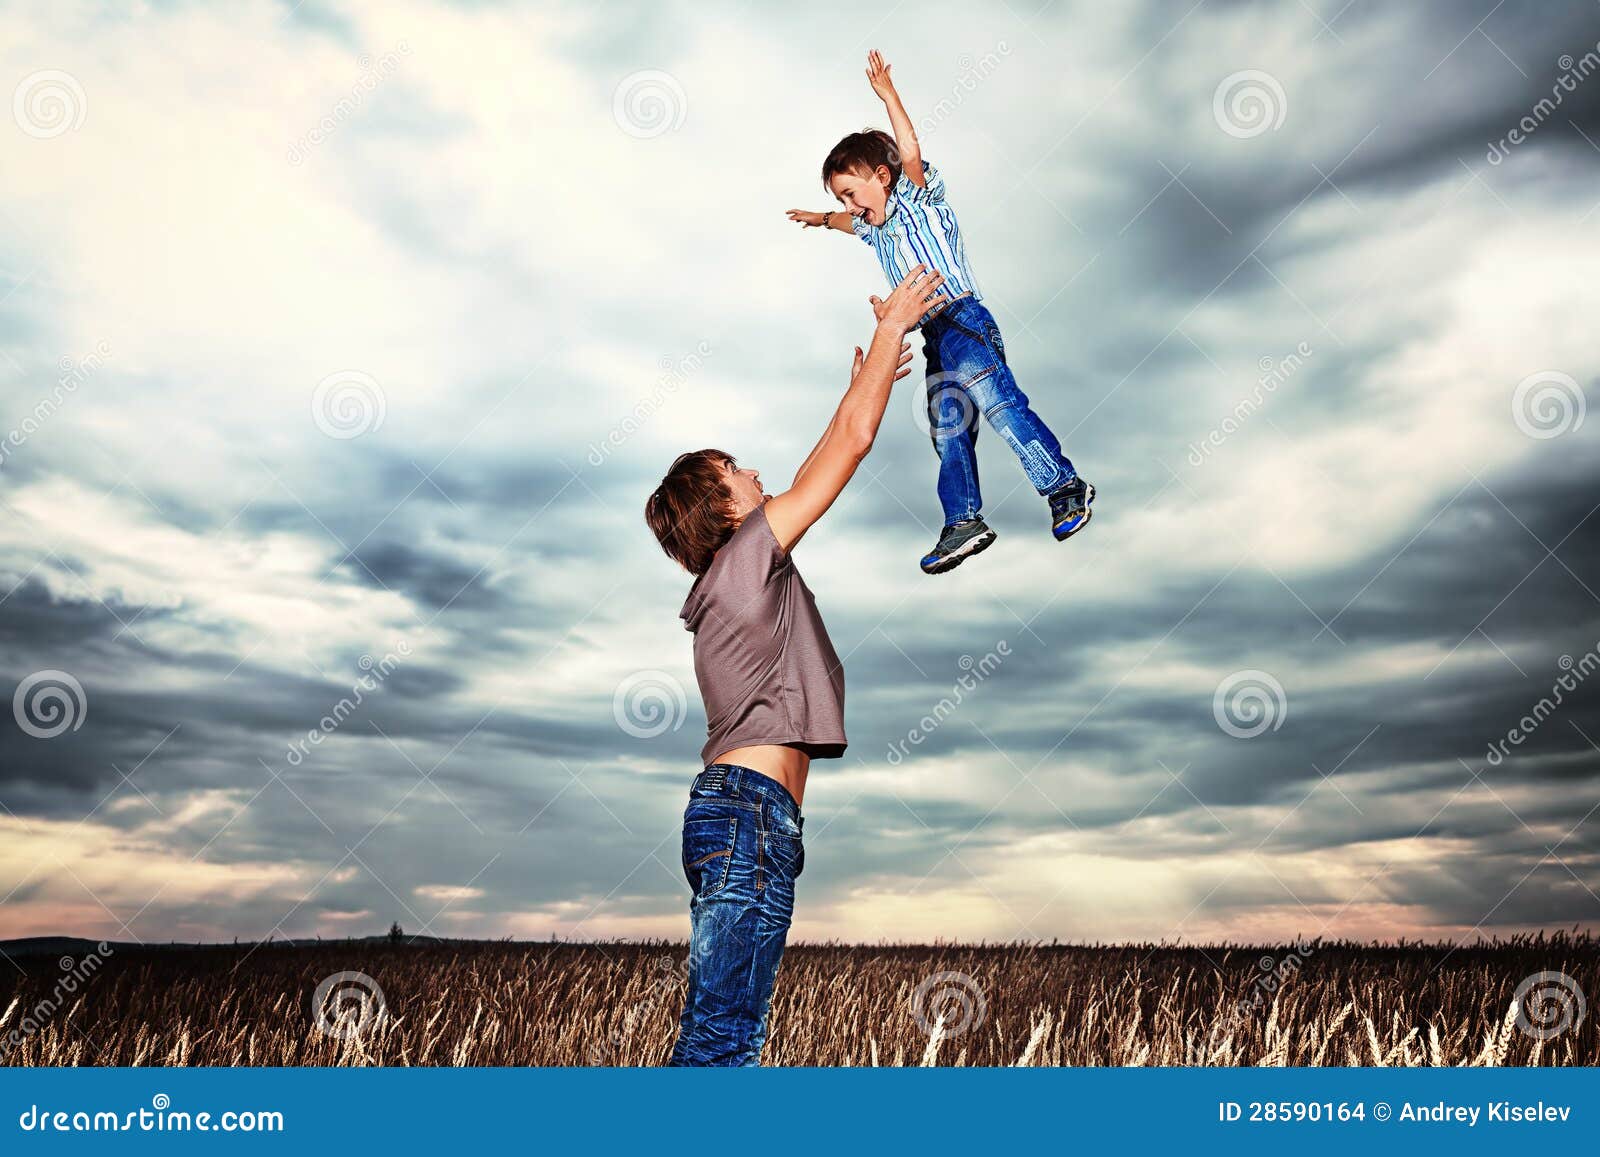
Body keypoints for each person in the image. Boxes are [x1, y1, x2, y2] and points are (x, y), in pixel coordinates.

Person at [645, 266, 948, 1065]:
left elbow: (844, 429)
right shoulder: (745, 560)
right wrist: (892, 331)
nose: (753, 471)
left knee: (726, 1037)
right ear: (725, 505)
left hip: (752, 817)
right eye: (736, 467)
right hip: (747, 815)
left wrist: (868, 380)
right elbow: (847, 447)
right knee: (721, 1043)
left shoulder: (734, 578)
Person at [787, 50, 1095, 575]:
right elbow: (846, 223)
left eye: (852, 191)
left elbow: (908, 150)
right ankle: (964, 520)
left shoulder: (917, 198)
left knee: (998, 406)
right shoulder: (872, 227)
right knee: (948, 427)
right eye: (842, 197)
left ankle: (1064, 485)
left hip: (965, 320)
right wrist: (820, 218)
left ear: (882, 177)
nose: (851, 205)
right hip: (934, 333)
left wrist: (889, 97)